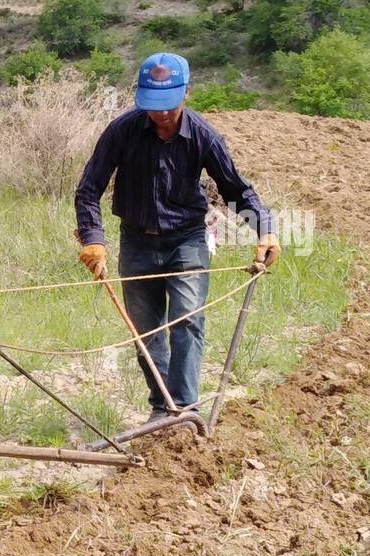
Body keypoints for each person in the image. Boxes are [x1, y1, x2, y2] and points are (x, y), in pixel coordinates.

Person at [74, 52, 280, 422]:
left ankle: (185, 410)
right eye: (153, 105)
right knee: (146, 333)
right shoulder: (121, 132)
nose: (161, 114)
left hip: (186, 241)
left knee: (186, 321)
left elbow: (236, 190)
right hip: (136, 243)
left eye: (168, 105)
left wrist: (265, 231)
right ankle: (162, 406)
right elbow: (89, 189)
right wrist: (94, 238)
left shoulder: (203, 136)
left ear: (186, 92)